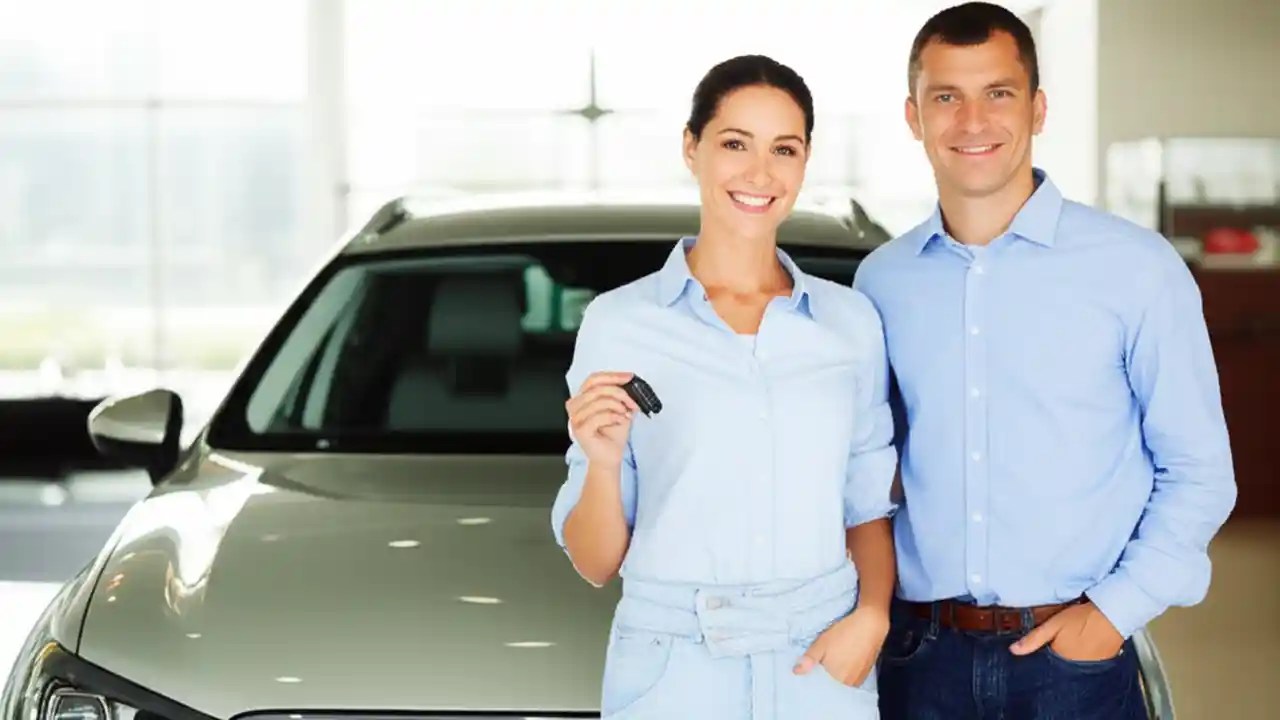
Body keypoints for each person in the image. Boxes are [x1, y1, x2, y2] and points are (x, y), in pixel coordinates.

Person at [853, 3, 1238, 719]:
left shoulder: (1136, 269)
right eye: (947, 97)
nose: (973, 120)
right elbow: (867, 470)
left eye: (998, 93)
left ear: (1037, 108)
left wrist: (1112, 615)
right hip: (918, 660)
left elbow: (1199, 471)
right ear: (914, 116)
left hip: (1076, 661)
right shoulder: (881, 282)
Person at [550, 54, 898, 719]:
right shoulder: (619, 323)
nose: (760, 173)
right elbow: (595, 564)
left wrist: (874, 616)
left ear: (805, 160)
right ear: (692, 147)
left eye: (783, 149)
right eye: (736, 143)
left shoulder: (849, 322)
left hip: (821, 655)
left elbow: (868, 503)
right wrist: (602, 463)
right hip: (674, 662)